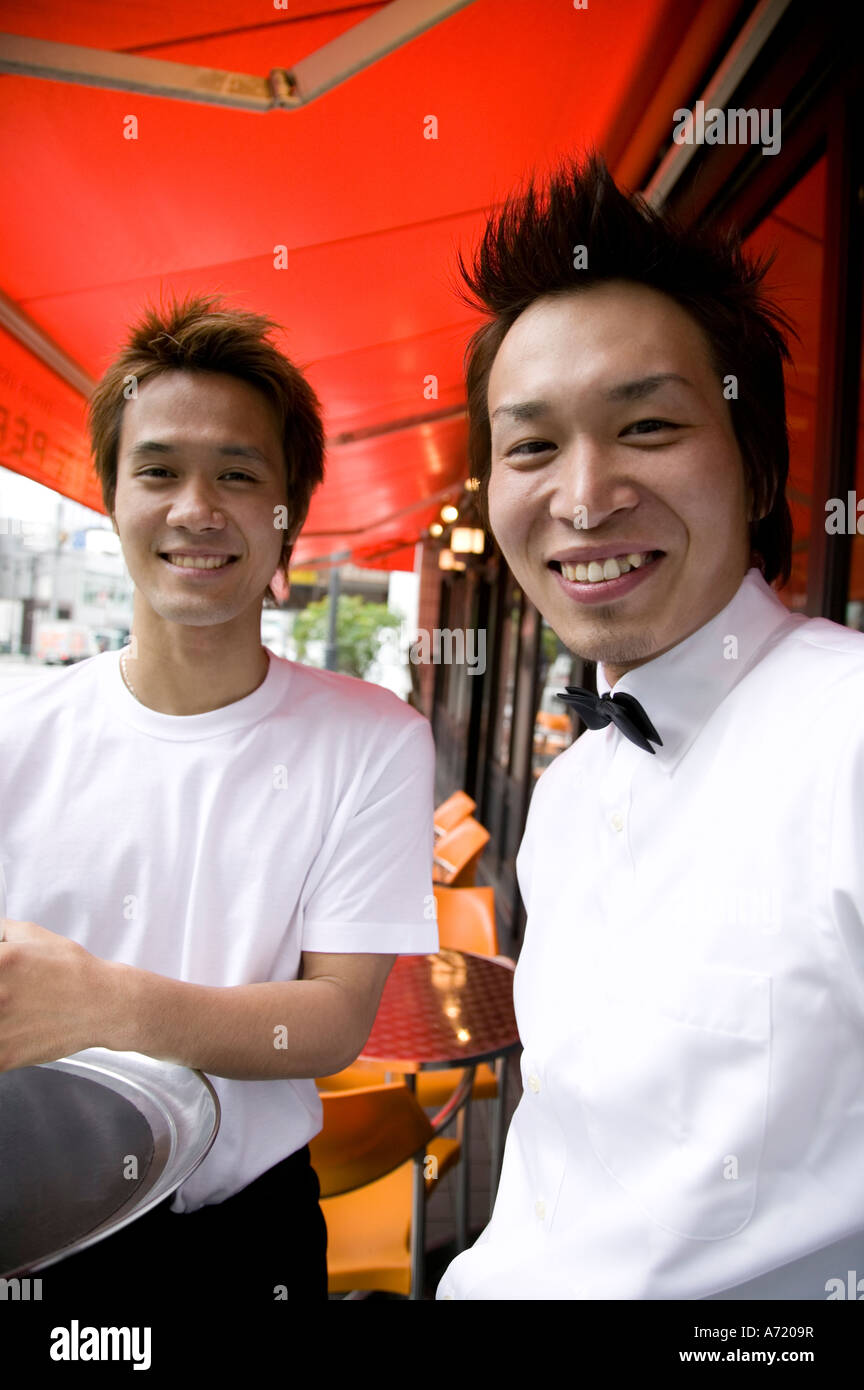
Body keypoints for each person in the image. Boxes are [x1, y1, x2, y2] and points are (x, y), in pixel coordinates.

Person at [437, 154, 864, 1300]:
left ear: (759, 465)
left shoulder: (848, 739)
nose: (583, 497)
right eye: (531, 446)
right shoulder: (573, 791)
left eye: (648, 427)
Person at [0, 293, 438, 1311]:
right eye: (158, 469)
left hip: (241, 1236)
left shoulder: (372, 739)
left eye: (239, 474)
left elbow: (332, 1021)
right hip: (32, 1219)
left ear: (290, 509)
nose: (197, 507)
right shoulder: (17, 730)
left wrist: (104, 1002)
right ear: (109, 493)